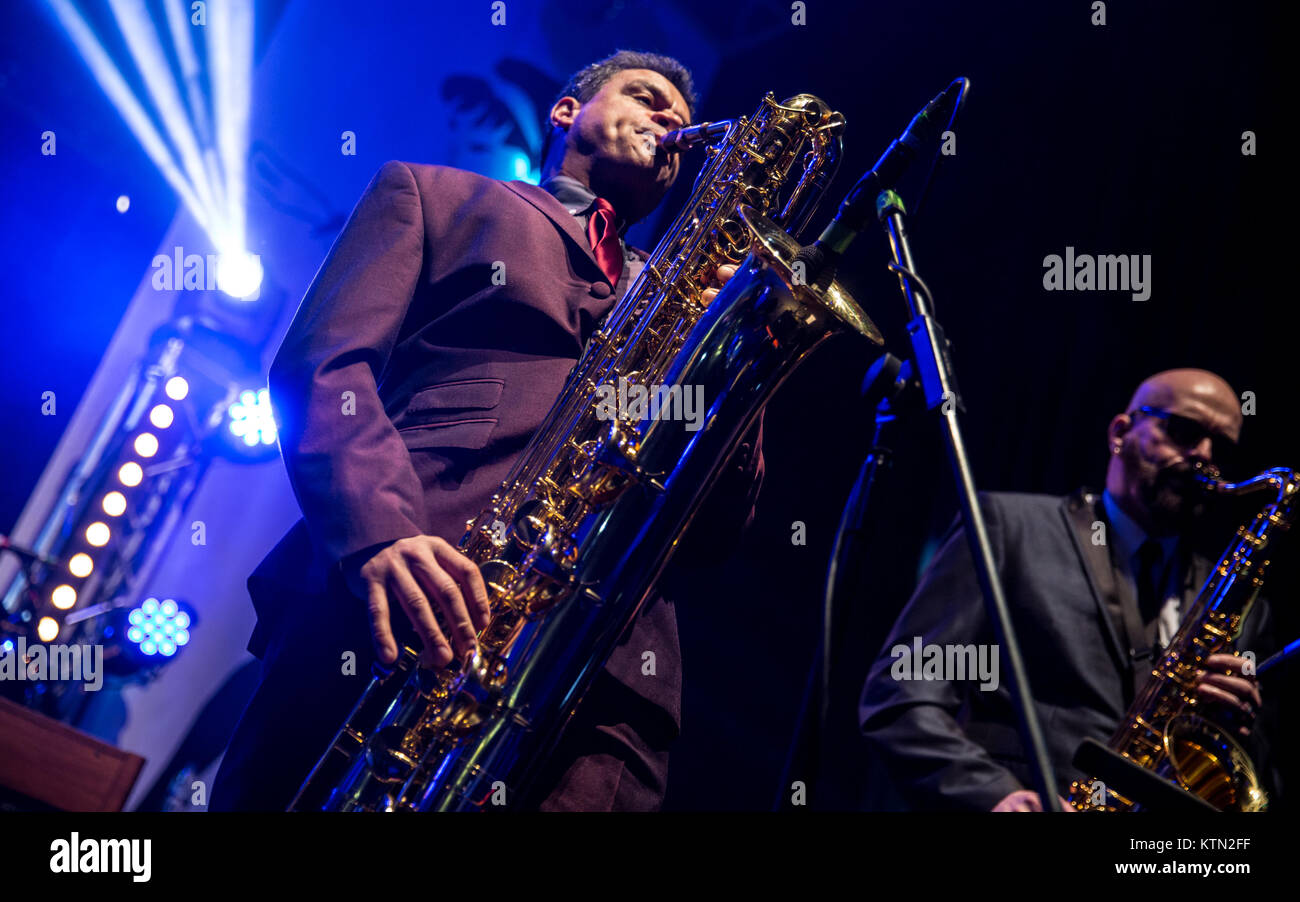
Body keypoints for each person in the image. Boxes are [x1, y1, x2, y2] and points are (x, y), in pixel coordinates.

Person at [211, 50, 765, 812]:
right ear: (567, 111)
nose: (672, 119)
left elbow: (714, 533)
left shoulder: (687, 293)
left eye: (678, 112)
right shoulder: (434, 194)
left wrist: (732, 344)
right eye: (646, 97)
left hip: (603, 673)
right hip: (417, 586)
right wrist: (380, 536)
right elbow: (323, 369)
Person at [858, 368, 1273, 811]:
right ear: (1120, 432)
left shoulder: (1239, 604)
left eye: (1222, 447)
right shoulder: (1004, 527)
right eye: (1184, 430)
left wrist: (1228, 729)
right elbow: (901, 693)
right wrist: (998, 796)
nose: (1204, 454)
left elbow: (1263, 782)